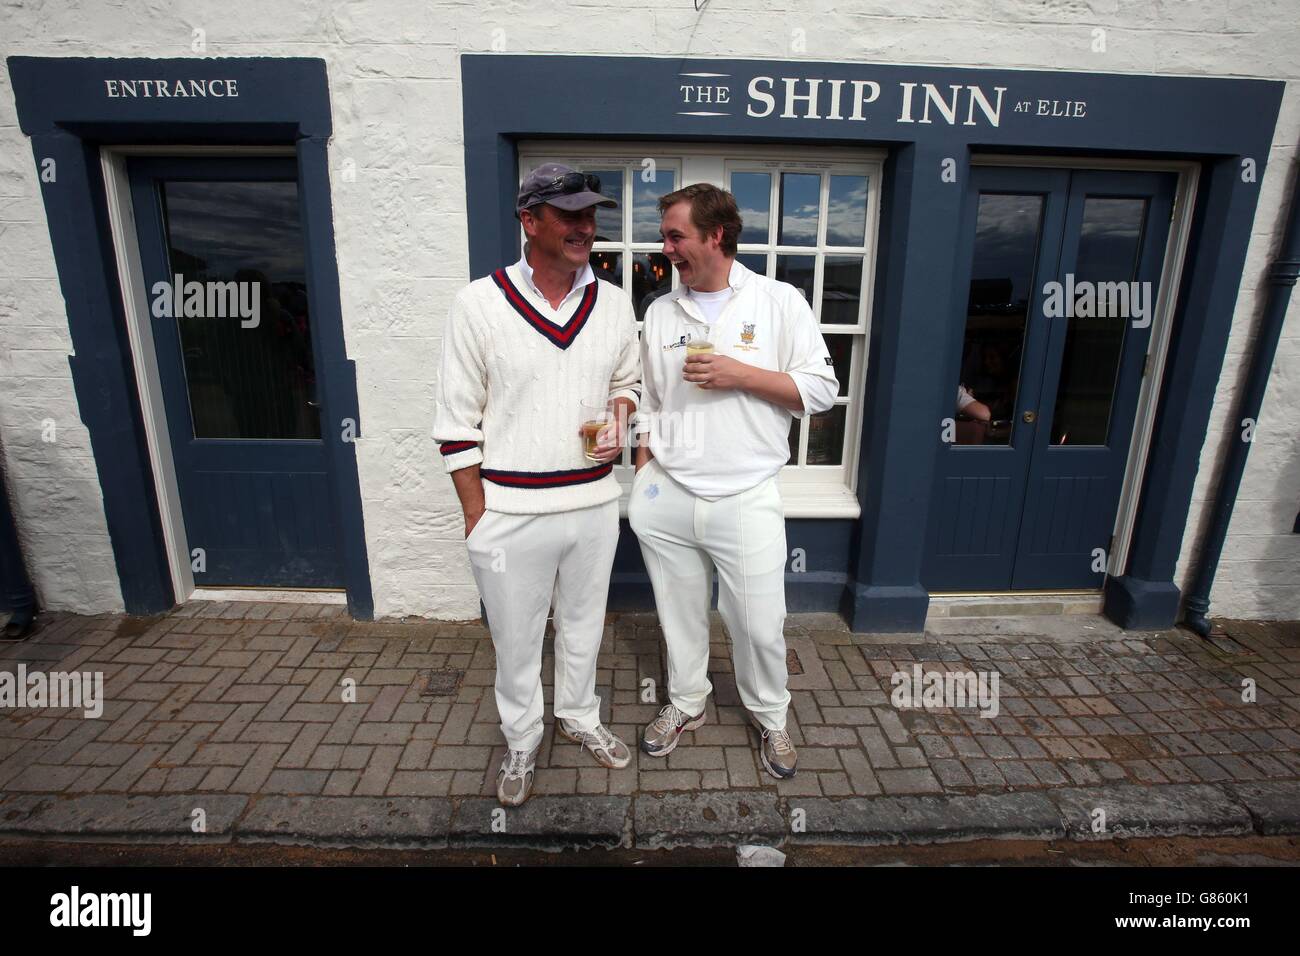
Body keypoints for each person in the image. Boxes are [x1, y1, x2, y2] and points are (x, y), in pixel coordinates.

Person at [433, 164, 641, 806]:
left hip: (594, 501)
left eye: (590, 214)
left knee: (584, 625)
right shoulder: (478, 303)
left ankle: (578, 716)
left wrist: (621, 420)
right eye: (569, 215)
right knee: (516, 636)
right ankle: (522, 738)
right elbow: (454, 421)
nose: (586, 227)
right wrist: (478, 518)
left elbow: (627, 385)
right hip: (510, 510)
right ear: (530, 221)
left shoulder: (612, 302)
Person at [629, 183, 838, 779]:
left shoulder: (779, 302)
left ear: (716, 235)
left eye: (676, 235)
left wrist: (740, 373)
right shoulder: (662, 311)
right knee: (679, 613)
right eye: (665, 236)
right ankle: (686, 703)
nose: (665, 247)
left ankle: (772, 715)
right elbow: (651, 395)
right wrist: (644, 466)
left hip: (746, 493)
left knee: (757, 621)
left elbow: (820, 391)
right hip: (668, 492)